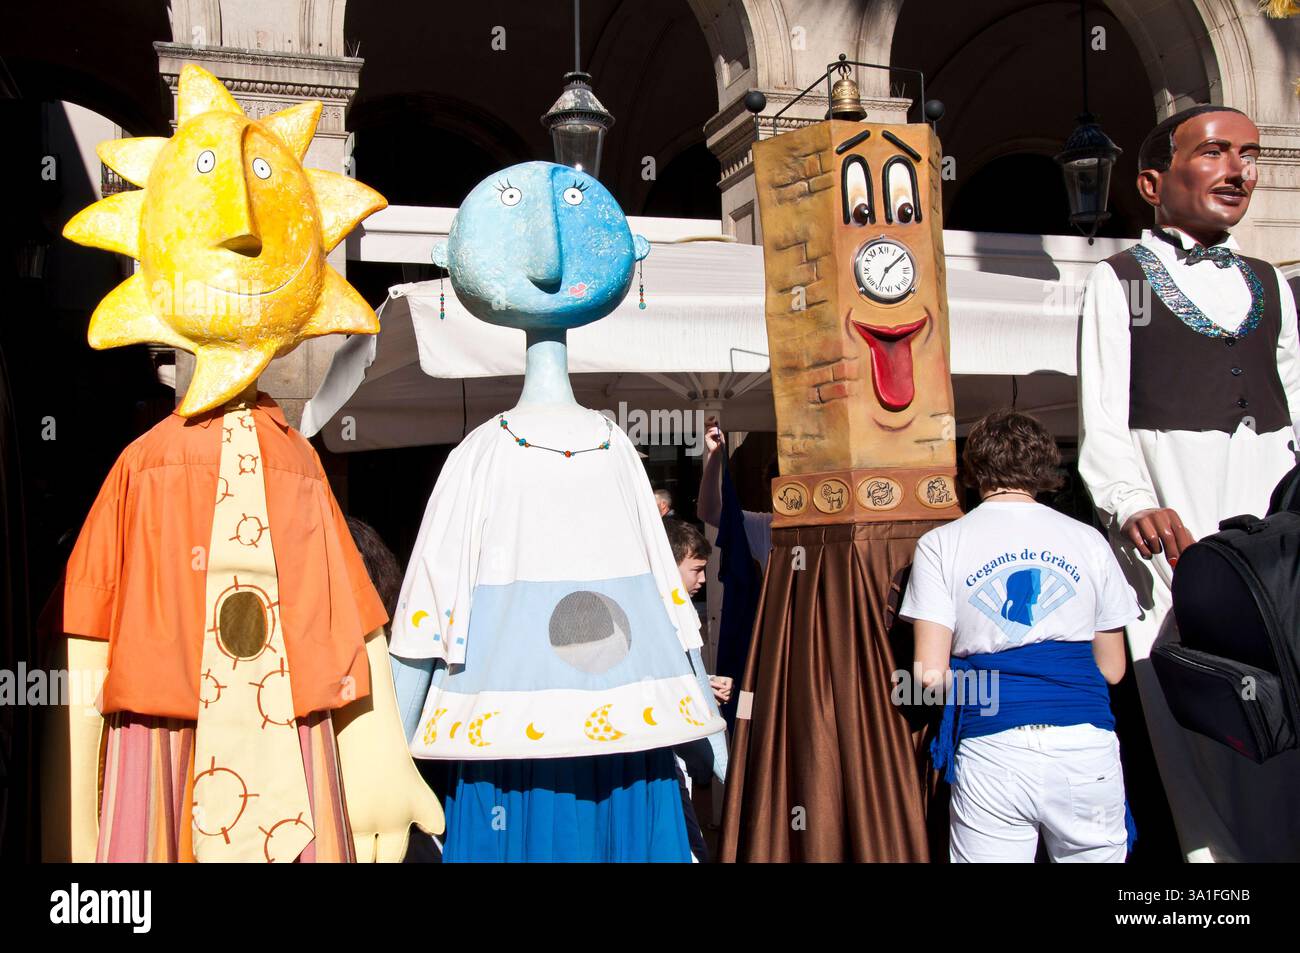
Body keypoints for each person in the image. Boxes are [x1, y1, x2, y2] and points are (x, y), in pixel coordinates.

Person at [1077, 104, 1300, 861]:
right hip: (1177, 533)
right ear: (1152, 181)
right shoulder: (1118, 282)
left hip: (1275, 535)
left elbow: (1295, 403)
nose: (1237, 170)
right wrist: (1133, 503)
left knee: (1286, 711)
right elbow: (1102, 422)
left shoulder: (1272, 283)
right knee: (1199, 721)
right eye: (1211, 153)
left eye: (1247, 154)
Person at [900, 411, 1140, 863]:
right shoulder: (1089, 540)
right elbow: (1111, 669)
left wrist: (998, 686)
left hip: (994, 749)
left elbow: (929, 676)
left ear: (970, 470)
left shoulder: (941, 544)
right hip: (1084, 745)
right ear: (1046, 469)